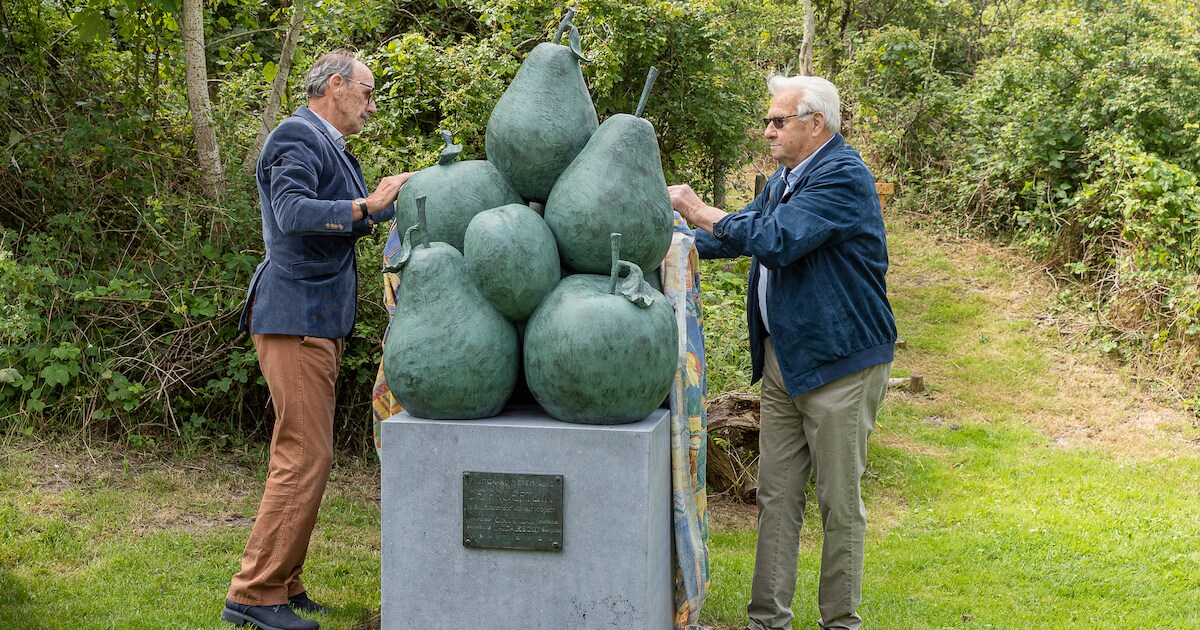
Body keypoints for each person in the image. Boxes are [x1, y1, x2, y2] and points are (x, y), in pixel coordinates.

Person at [668, 75, 896, 630]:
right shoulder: (788, 178)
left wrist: (698, 208)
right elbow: (734, 235)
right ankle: (767, 620)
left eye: (778, 121)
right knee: (776, 497)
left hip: (841, 361)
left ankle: (839, 622)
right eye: (768, 121)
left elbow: (777, 240)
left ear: (814, 124)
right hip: (784, 360)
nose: (767, 130)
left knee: (838, 506)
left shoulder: (842, 175)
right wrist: (663, 234)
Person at [222, 49, 413, 630]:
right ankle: (255, 594)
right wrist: (368, 203)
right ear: (335, 85)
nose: (372, 106)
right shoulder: (295, 136)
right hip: (295, 315)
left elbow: (350, 216)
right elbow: (293, 213)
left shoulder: (329, 145)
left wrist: (386, 202)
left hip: (315, 319)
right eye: (367, 92)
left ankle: (284, 581)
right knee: (304, 455)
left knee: (309, 453)